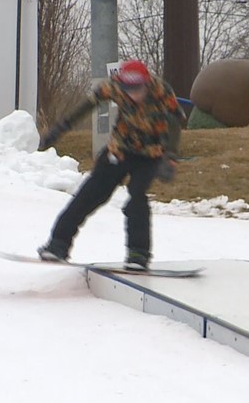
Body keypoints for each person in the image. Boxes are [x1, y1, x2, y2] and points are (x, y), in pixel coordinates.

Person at [36, 59, 182, 270]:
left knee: (137, 198)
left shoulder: (161, 91)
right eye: (128, 89)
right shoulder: (113, 86)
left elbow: (175, 122)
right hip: (120, 149)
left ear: (147, 83)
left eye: (138, 89)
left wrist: (170, 157)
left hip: (151, 154)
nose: (133, 94)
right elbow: (86, 107)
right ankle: (58, 244)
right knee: (90, 194)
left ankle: (138, 254)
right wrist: (59, 129)